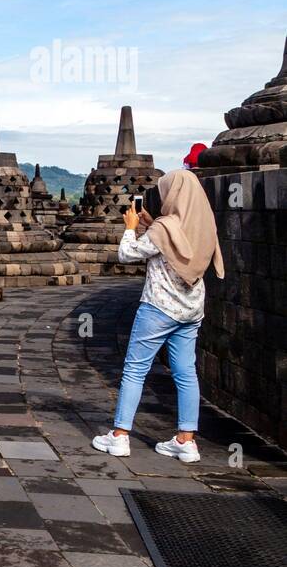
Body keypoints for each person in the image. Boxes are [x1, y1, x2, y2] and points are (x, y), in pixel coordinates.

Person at [92, 169, 223, 463]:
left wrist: (130, 227)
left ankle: (120, 436)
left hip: (158, 309)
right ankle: (186, 441)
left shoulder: (165, 229)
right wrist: (153, 225)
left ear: (173, 194)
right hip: (191, 310)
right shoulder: (202, 224)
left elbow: (128, 254)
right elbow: (173, 241)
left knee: (135, 369)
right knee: (186, 373)